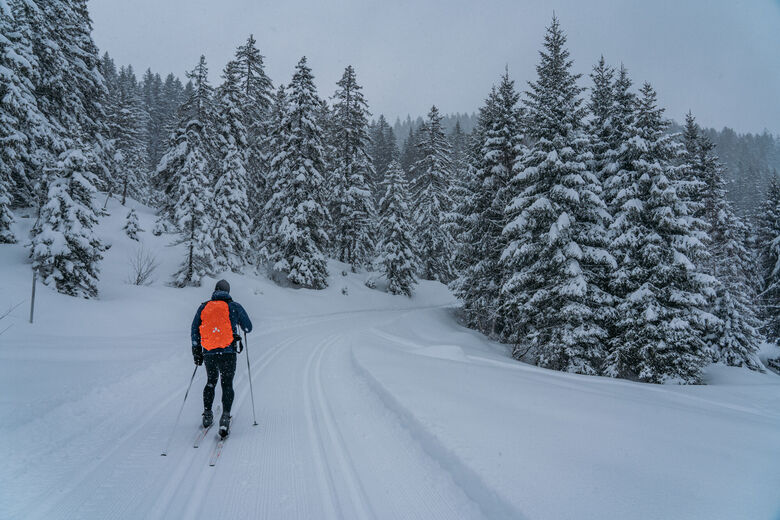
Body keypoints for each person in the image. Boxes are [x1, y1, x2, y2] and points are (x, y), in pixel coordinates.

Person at [191, 279, 252, 437]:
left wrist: (196, 350)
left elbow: (194, 329)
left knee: (211, 382)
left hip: (209, 352)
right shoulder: (233, 306)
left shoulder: (204, 307)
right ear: (228, 291)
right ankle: (225, 418)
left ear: (215, 290)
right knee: (227, 383)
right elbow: (248, 327)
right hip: (228, 352)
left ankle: (207, 415)